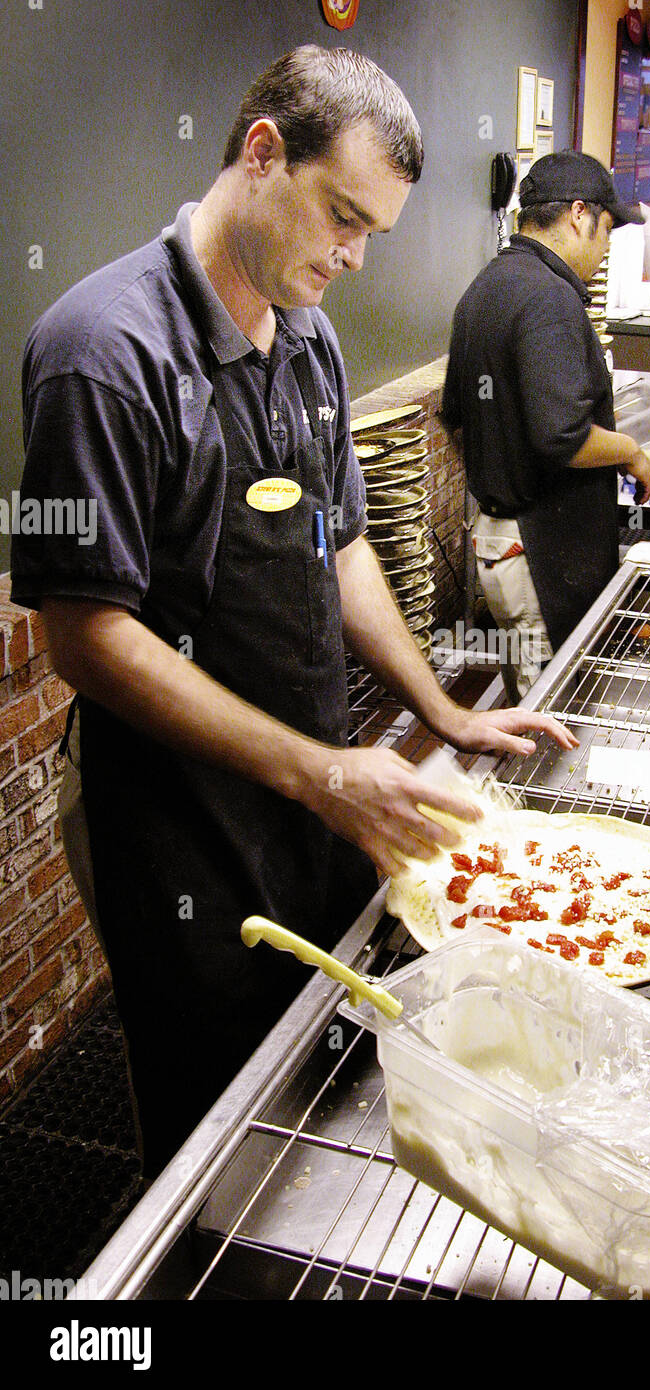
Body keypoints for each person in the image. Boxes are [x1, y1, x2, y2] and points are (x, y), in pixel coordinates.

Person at [11, 46, 575, 1180]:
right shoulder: (103, 352)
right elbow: (86, 636)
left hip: (311, 781)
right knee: (210, 1115)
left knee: (328, 1053)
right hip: (175, 819)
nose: (356, 259)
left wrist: (437, 712)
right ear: (263, 154)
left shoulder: (307, 338)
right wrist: (320, 772)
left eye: (375, 231)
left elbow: (344, 544)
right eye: (343, 217)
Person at [442, 151, 650, 702]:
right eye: (607, 229)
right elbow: (562, 438)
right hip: (540, 553)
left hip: (499, 543)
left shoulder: (485, 288)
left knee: (527, 694)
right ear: (579, 215)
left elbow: (460, 416)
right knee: (549, 714)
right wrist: (631, 449)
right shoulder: (549, 299)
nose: (606, 247)